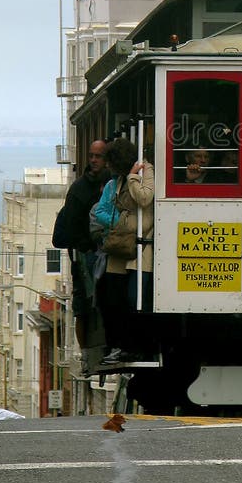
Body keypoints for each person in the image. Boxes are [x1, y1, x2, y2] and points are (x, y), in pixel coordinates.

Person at [94, 139, 154, 364]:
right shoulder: (117, 180)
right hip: (121, 246)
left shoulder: (144, 170)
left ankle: (136, 346)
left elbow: (145, 198)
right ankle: (118, 345)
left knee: (134, 299)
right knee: (112, 299)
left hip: (140, 247)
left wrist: (132, 177)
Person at [61, 139, 109, 376]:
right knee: (83, 307)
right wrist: (86, 247)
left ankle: (103, 349)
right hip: (85, 255)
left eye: (98, 156)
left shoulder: (110, 184)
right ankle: (87, 355)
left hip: (104, 251)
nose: (93, 160)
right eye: (91, 155)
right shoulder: (80, 189)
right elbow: (69, 226)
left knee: (103, 302)